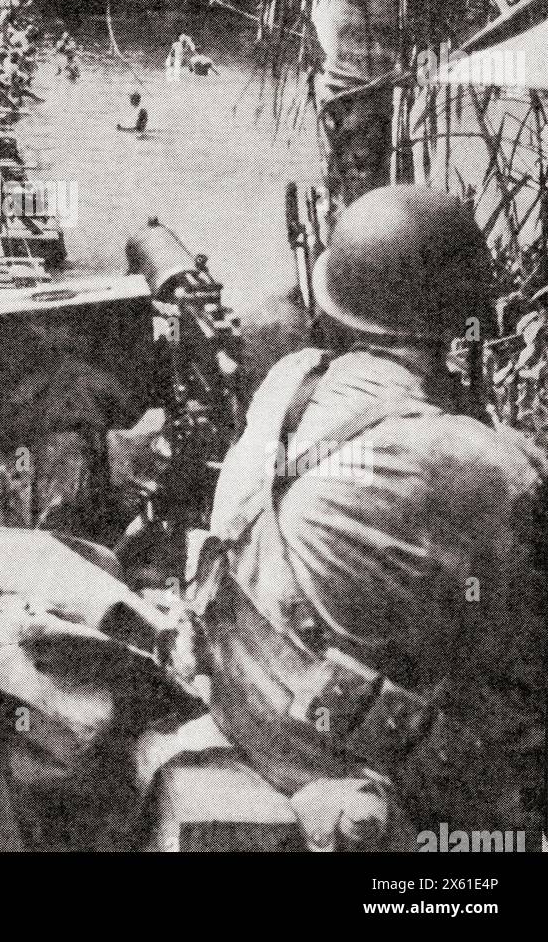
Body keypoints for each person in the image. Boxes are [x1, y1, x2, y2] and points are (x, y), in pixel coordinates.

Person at [192, 186, 545, 844]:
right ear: (464, 314)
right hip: (330, 753)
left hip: (246, 693)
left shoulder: (290, 382)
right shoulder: (475, 463)